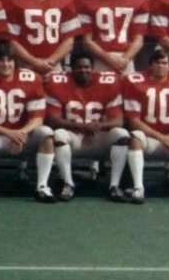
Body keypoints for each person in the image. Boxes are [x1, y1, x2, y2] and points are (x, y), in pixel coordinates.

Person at [0, 43, 51, 203]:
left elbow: (38, 118)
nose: (6, 64)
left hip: (22, 136)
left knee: (46, 133)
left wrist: (22, 132)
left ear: (16, 62)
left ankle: (42, 186)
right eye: (1, 60)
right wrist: (9, 133)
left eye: (10, 60)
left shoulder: (32, 78)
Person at [43, 50, 128, 201]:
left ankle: (114, 185)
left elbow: (119, 121)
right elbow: (53, 120)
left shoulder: (108, 82)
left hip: (98, 135)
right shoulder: (57, 82)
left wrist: (96, 126)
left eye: (87, 67)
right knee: (59, 135)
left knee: (121, 135)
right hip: (74, 135)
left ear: (93, 68)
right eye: (79, 67)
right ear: (71, 69)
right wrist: (82, 127)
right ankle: (68, 183)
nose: (84, 70)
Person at [119, 46, 169, 204]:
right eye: (157, 63)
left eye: (164, 63)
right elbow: (134, 122)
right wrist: (162, 138)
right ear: (150, 65)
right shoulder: (135, 82)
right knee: (135, 137)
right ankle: (138, 188)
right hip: (151, 138)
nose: (161, 66)